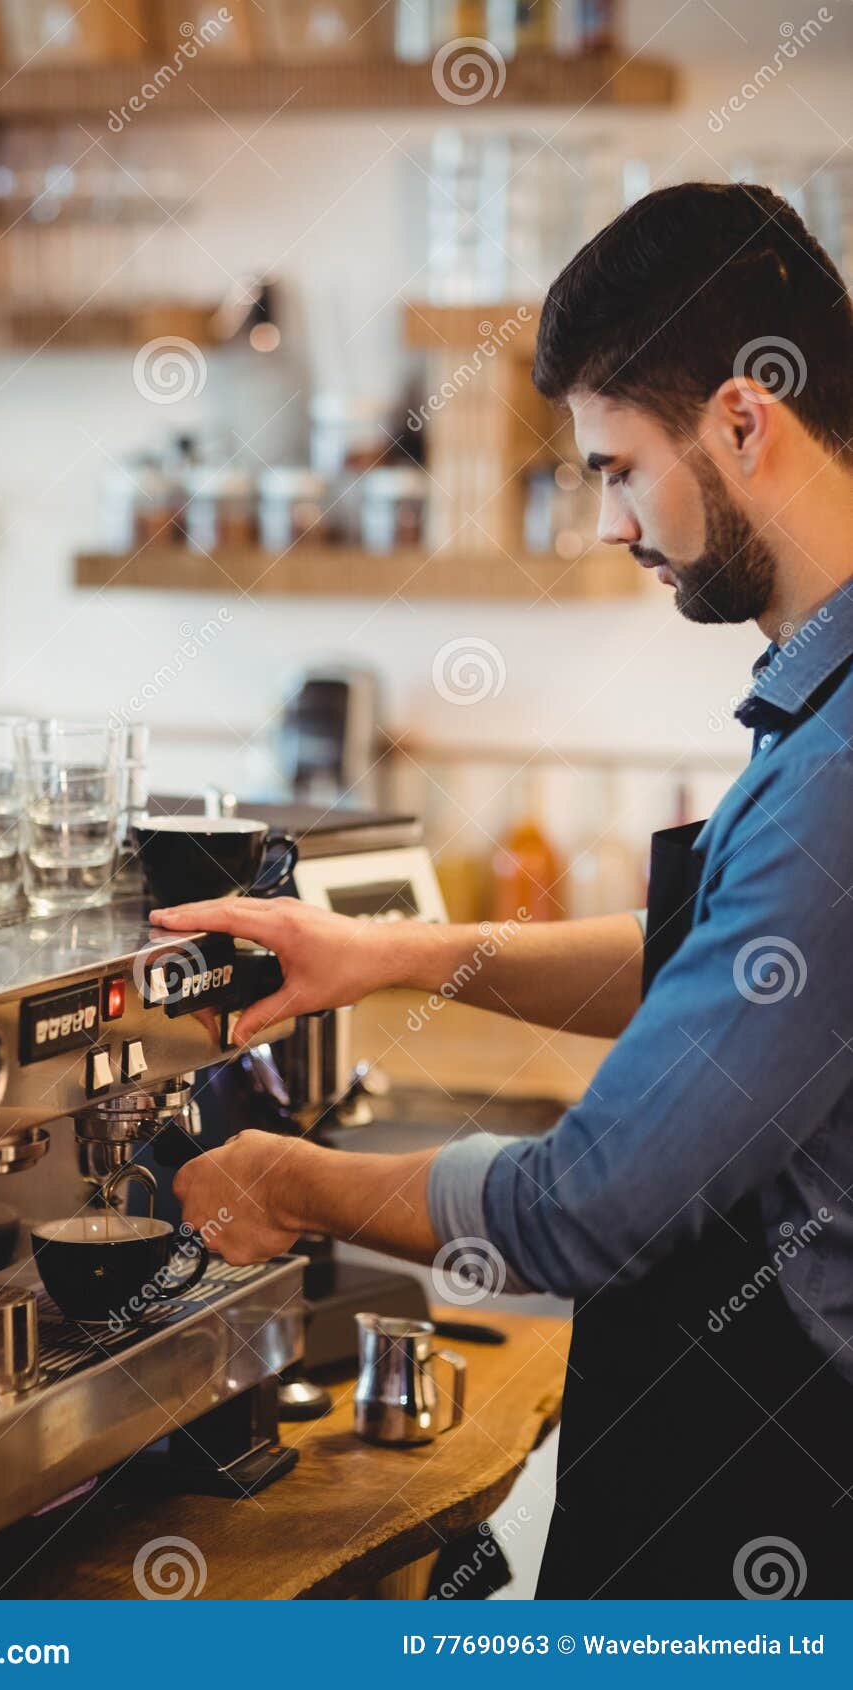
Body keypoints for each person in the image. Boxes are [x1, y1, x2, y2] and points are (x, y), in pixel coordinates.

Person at [152, 183, 853, 1598]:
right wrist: (392, 953)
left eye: (616, 466)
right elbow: (732, 977)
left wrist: (285, 1180)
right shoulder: (821, 721)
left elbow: (575, 1208)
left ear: (742, 421)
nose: (610, 523)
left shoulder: (837, 771)